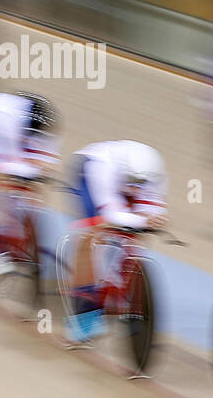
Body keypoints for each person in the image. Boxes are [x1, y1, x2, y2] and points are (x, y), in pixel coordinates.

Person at [65, 140, 168, 343]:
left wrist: (155, 217)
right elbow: (110, 213)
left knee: (138, 226)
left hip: (125, 179)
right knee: (94, 232)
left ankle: (123, 275)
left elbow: (155, 207)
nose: (136, 189)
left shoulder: (156, 173)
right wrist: (141, 218)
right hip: (88, 174)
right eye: (133, 183)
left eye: (140, 185)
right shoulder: (102, 170)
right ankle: (83, 307)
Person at [0, 91, 59, 281]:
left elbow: (47, 160)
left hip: (16, 127)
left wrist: (43, 170)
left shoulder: (46, 127)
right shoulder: (3, 122)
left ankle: (26, 239)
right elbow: (4, 163)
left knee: (32, 181)